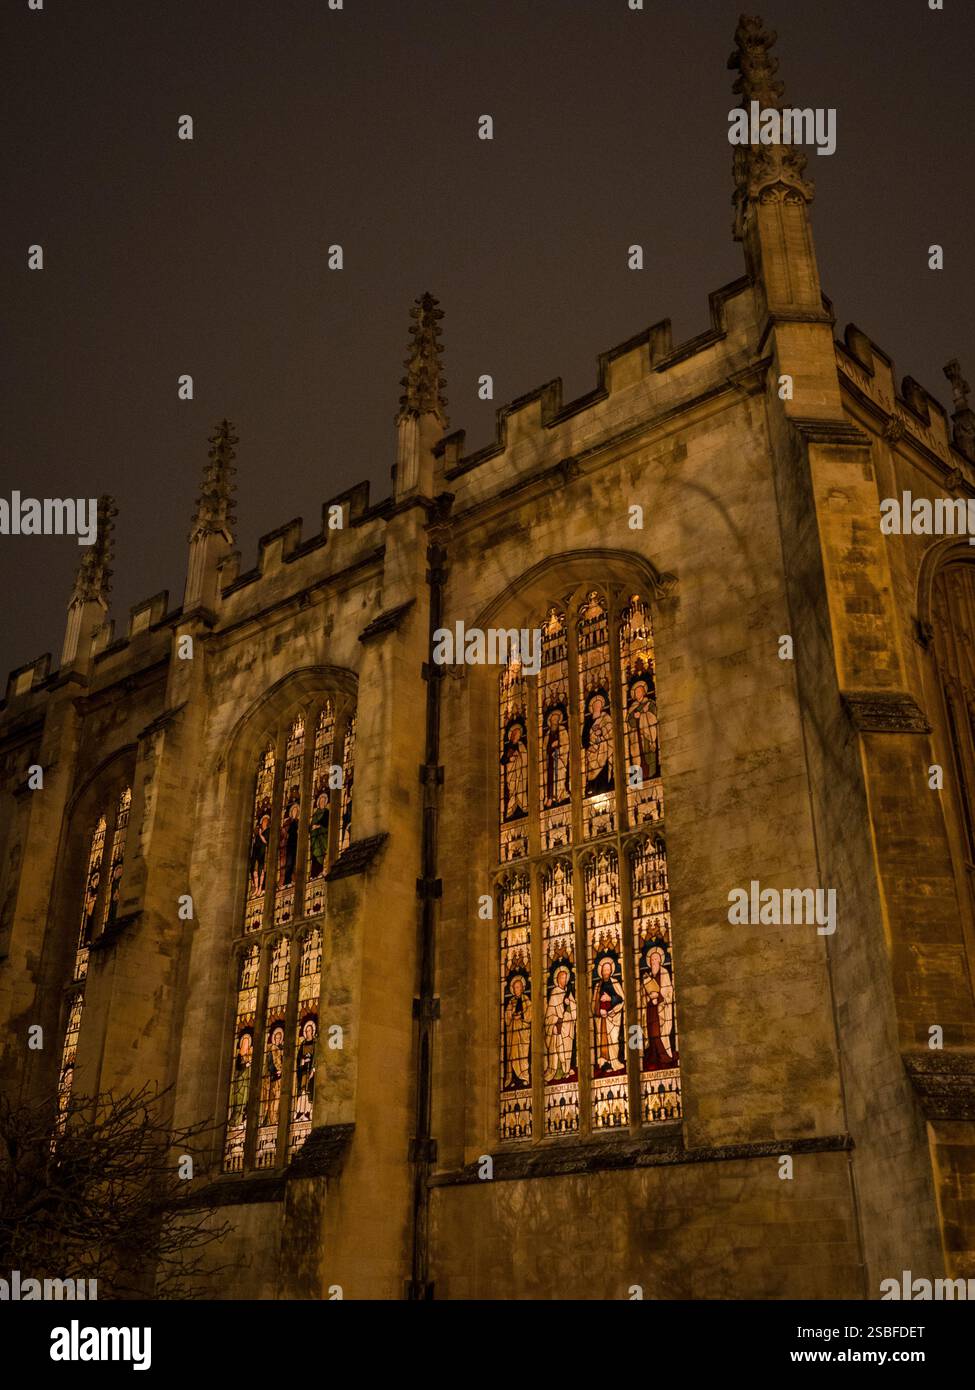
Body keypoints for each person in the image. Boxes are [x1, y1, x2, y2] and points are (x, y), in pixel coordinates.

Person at [591, 957, 625, 1074]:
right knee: (601, 1041)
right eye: (604, 970)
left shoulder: (615, 982)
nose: (606, 972)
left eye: (608, 970)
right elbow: (593, 1003)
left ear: (611, 971)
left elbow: (622, 999)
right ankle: (604, 1062)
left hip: (613, 1017)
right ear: (601, 972)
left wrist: (610, 999)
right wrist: (599, 1011)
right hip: (601, 1020)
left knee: (614, 1039)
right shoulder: (597, 986)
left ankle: (614, 1061)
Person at [544, 965, 577, 1081]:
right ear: (557, 980)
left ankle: (566, 1069)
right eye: (561, 978)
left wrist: (569, 1003)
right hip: (558, 1026)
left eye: (565, 978)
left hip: (568, 1026)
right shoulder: (554, 993)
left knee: (567, 1049)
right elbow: (549, 1014)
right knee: (557, 1050)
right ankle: (557, 1071)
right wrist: (555, 1021)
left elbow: (575, 1011)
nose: (563, 980)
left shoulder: (569, 993)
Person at [503, 974, 532, 1088]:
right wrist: (511, 1014)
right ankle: (513, 1078)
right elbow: (507, 1019)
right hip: (513, 1033)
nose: (517, 989)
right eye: (515, 988)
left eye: (519, 987)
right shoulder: (511, 1002)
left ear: (522, 988)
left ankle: (525, 1077)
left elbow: (530, 1014)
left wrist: (521, 1016)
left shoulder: (526, 1000)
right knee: (513, 1055)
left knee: (523, 1055)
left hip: (523, 1032)